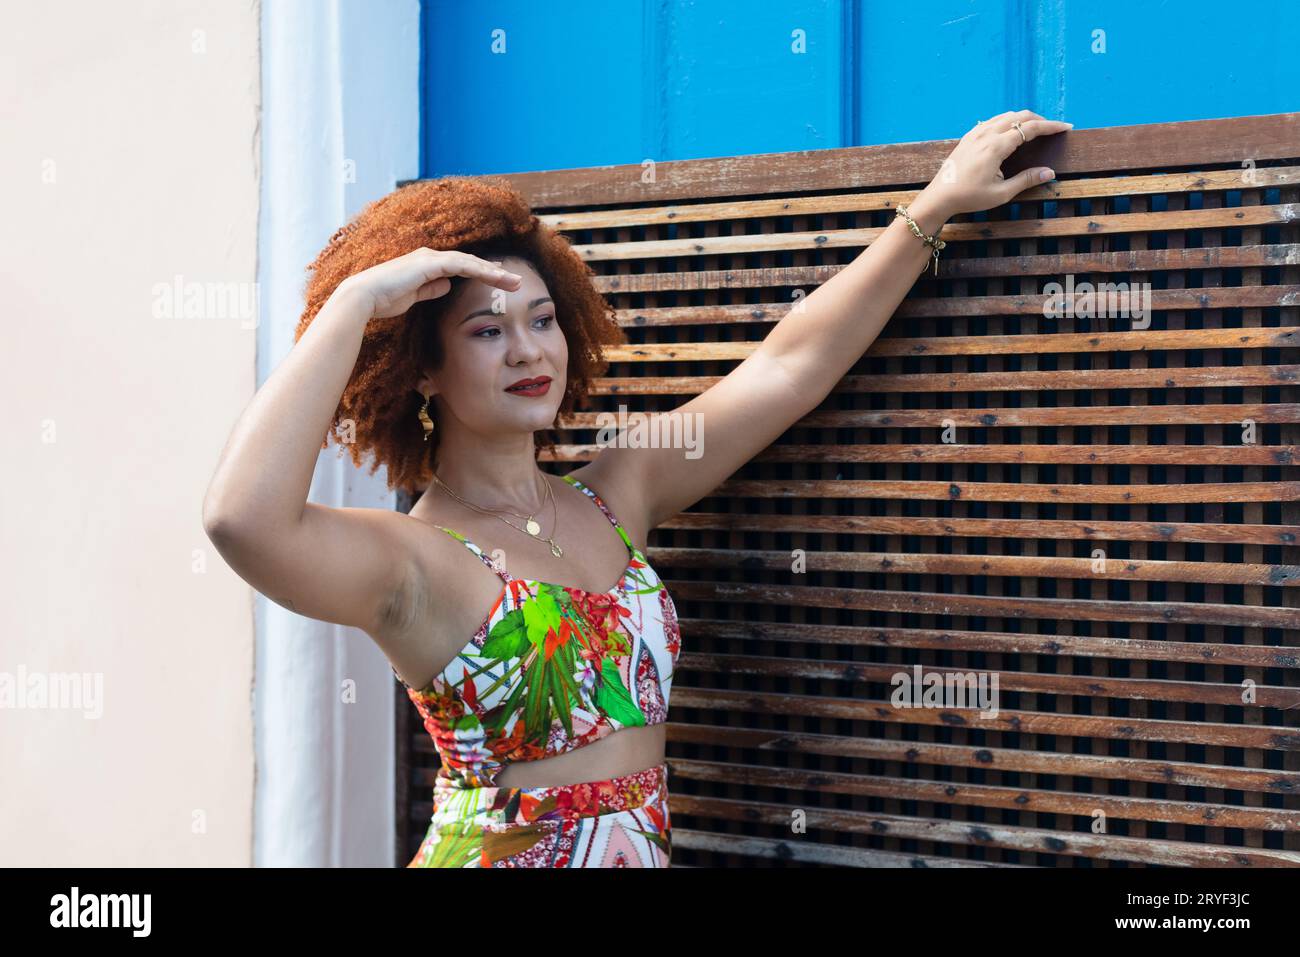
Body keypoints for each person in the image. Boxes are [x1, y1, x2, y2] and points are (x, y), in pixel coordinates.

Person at [202, 109, 1071, 867]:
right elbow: (241, 519)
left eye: (542, 319)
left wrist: (930, 213)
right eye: (485, 329)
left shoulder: (617, 492)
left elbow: (787, 367)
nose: (528, 350)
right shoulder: (409, 561)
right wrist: (355, 308)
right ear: (420, 368)